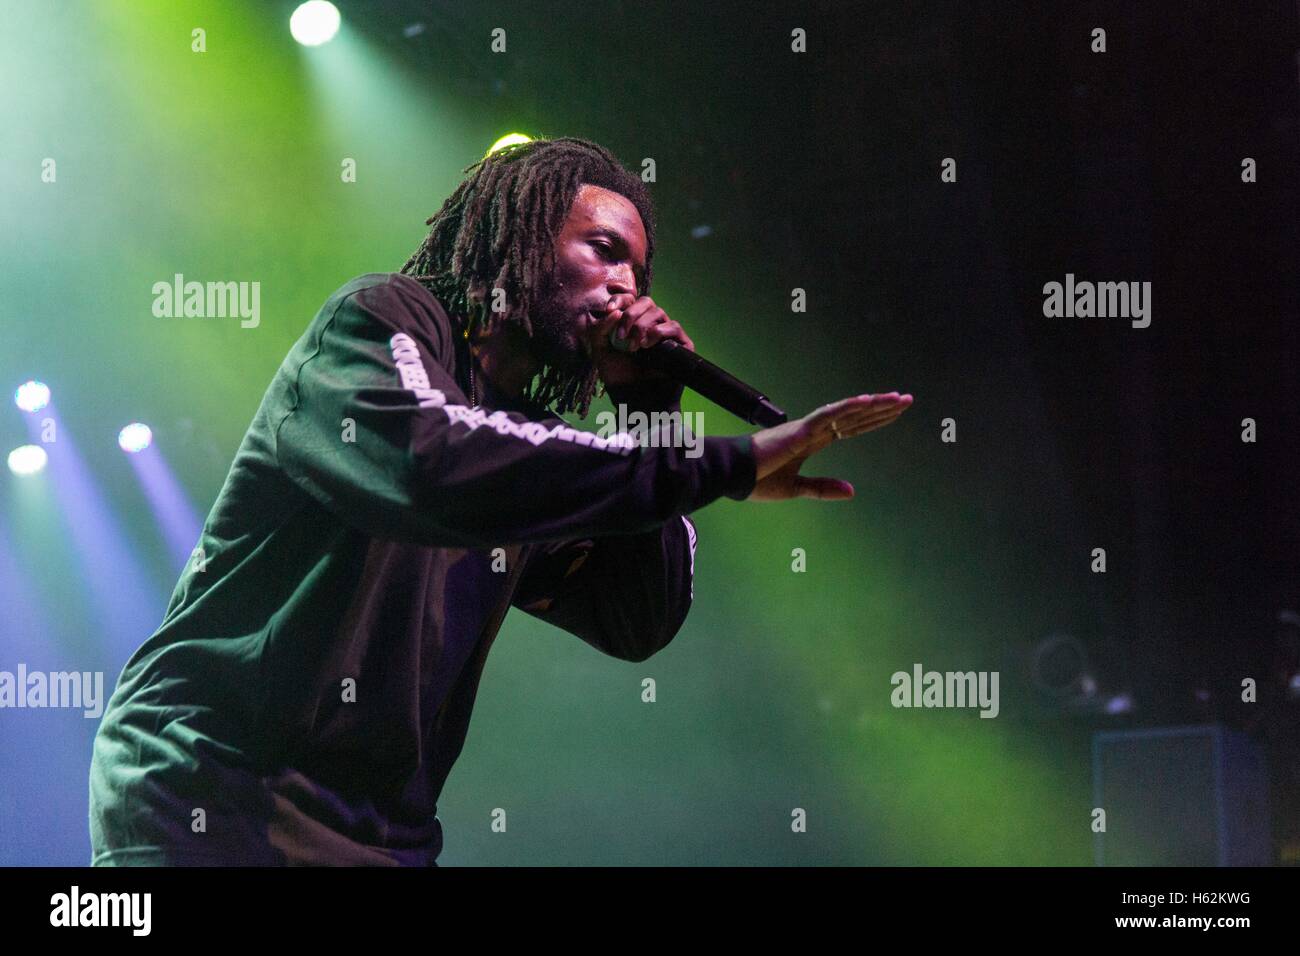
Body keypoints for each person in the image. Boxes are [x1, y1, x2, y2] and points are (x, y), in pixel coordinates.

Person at [88, 137, 912, 866]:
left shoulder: (528, 448)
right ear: (519, 238)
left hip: (380, 834)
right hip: (214, 787)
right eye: (602, 247)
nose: (626, 283)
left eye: (638, 267)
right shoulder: (377, 322)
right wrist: (724, 461)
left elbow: (636, 620)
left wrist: (654, 415)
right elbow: (438, 463)